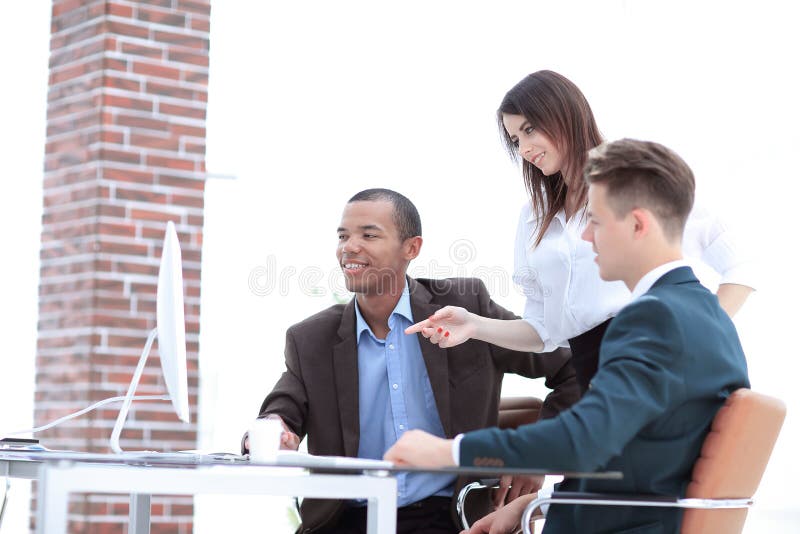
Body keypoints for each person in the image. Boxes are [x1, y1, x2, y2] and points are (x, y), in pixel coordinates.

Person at [384, 138, 751, 533]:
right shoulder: (705, 314)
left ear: (638, 224)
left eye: (594, 221)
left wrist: (448, 452)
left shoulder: (652, 318)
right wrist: (540, 502)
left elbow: (580, 441)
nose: (586, 238)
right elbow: (645, 460)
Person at [245, 188, 581, 534]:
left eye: (368, 235)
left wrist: (539, 452)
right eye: (343, 236)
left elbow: (572, 367)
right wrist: (276, 427)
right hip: (346, 519)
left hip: (449, 517)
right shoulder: (311, 338)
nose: (349, 247)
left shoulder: (463, 310)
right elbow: (284, 407)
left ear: (412, 248)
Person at [408, 70, 754, 393]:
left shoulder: (636, 179)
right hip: (591, 372)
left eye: (530, 129)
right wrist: (474, 325)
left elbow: (740, 265)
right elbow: (544, 331)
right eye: (515, 140)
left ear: (564, 114)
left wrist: (703, 332)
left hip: (656, 359)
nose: (524, 149)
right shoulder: (534, 217)